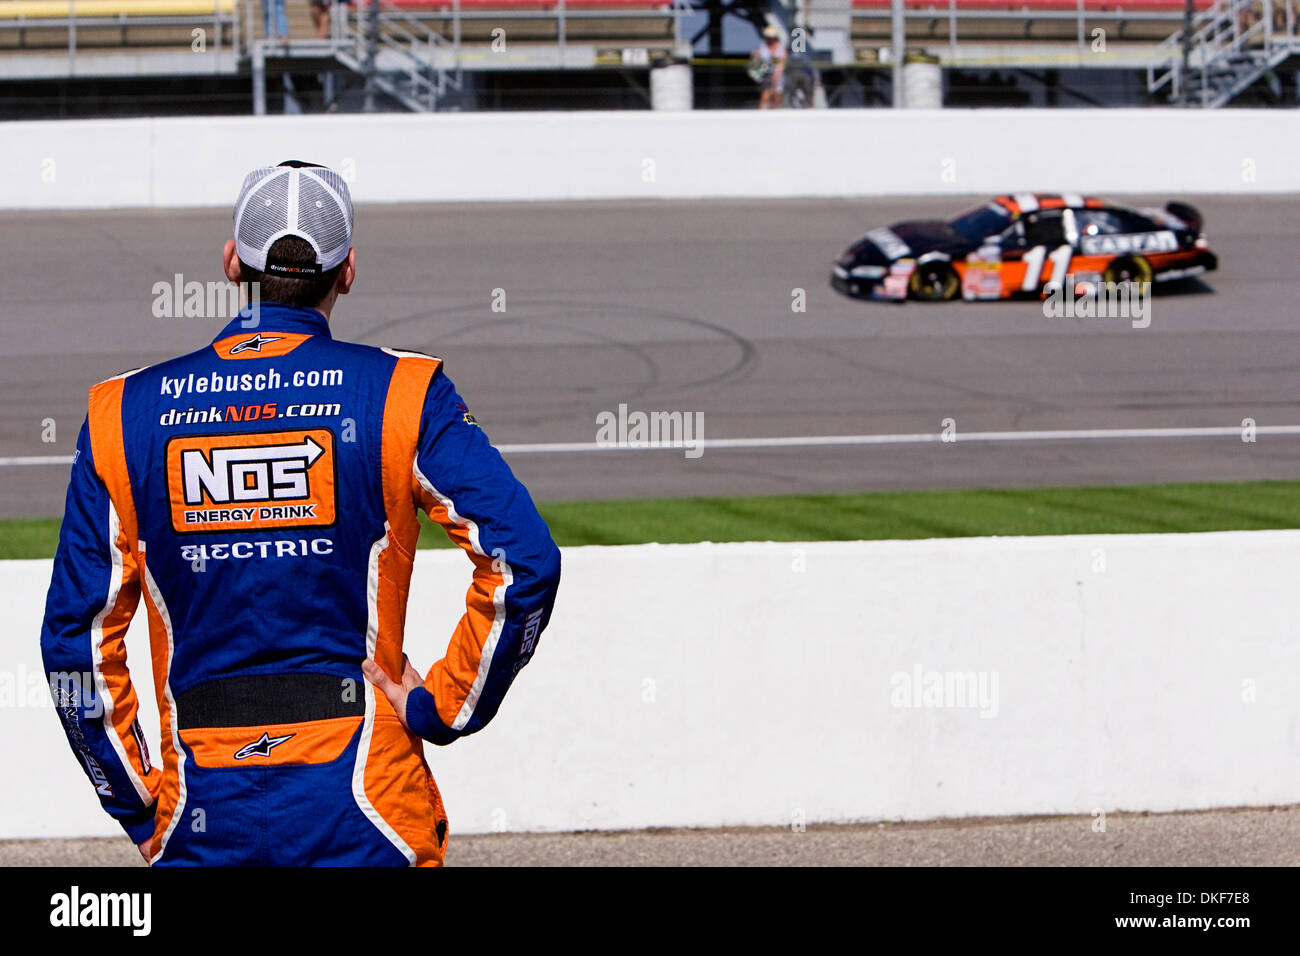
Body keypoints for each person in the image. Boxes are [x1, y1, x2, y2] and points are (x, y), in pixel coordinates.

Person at [39, 161, 561, 866]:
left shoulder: (119, 415)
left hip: (201, 810)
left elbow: (74, 643)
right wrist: (445, 706)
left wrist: (139, 806)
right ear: (347, 271)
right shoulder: (406, 393)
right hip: (367, 807)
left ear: (231, 263)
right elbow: (524, 563)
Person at [750, 24, 786, 109]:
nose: (768, 39)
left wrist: (776, 77)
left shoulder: (781, 48)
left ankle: (778, 114)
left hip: (778, 76)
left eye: (770, 37)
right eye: (767, 37)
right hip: (766, 75)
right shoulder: (763, 47)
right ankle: (763, 115)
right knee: (765, 96)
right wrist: (755, 56)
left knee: (777, 96)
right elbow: (756, 59)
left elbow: (781, 65)